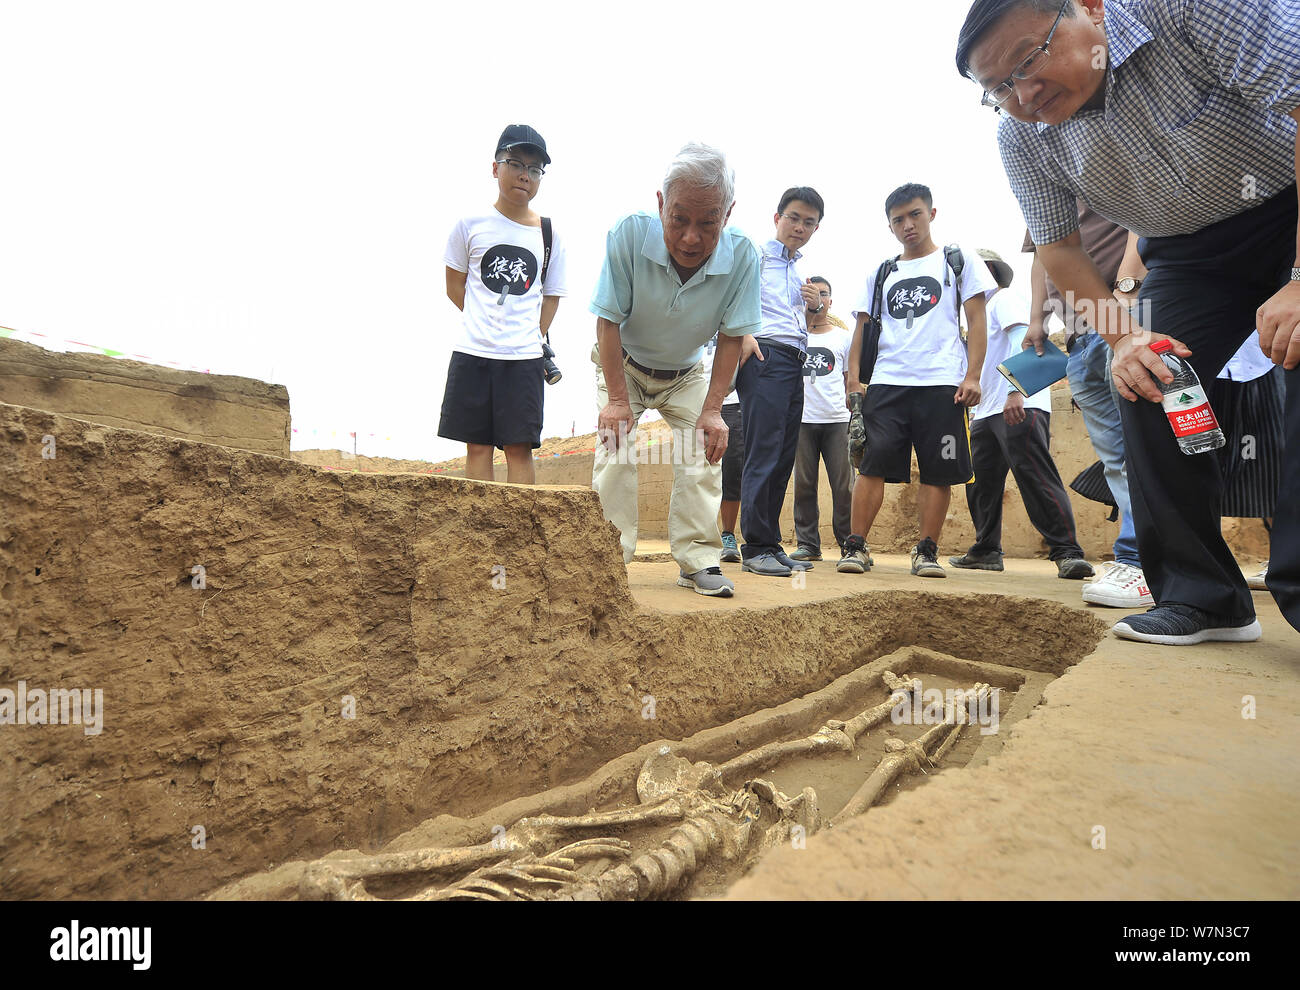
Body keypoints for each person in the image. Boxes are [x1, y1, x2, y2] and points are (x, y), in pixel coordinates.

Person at [957, 0, 1300, 644]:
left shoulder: (1190, 12)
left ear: (1088, 8)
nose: (1024, 94)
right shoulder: (1021, 134)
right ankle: (1205, 597)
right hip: (1190, 253)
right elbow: (1058, 248)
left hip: (1291, 201)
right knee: (1149, 375)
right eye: (998, 88)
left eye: (1029, 61)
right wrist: (1122, 338)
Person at [589, 141, 762, 597]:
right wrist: (618, 402)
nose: (691, 238)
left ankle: (699, 561)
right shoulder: (627, 235)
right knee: (615, 451)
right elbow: (606, 321)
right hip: (621, 365)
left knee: (703, 451)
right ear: (661, 204)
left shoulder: (744, 256)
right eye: (679, 219)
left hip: (686, 373)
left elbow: (730, 337)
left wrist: (712, 410)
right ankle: (608, 560)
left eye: (708, 223)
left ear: (727, 214)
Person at [840, 182, 996, 577]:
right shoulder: (881, 272)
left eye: (915, 215)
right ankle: (856, 545)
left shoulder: (958, 261)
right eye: (898, 220)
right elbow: (862, 327)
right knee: (871, 465)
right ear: (889, 226)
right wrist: (854, 381)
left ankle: (926, 550)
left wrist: (973, 375)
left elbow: (977, 320)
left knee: (938, 468)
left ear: (931, 214)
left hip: (943, 385)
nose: (908, 225)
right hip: (888, 384)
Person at [1023, 206, 1153, 608]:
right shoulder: (1042, 189)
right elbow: (1042, 257)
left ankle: (1139, 560)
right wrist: (1037, 319)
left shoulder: (1103, 158)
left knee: (1143, 447)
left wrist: (1128, 289)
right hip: (1078, 337)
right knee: (1117, 458)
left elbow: (1141, 217)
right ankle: (1140, 561)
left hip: (1122, 318)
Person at [952, 250, 1094, 576]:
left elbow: (1024, 340)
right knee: (980, 484)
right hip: (987, 411)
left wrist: (1017, 390)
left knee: (1035, 477)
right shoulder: (979, 313)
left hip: (1019, 403)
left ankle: (1067, 552)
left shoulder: (1003, 298)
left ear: (986, 271)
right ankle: (986, 550)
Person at [439, 124, 567, 485]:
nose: (524, 175)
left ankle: (519, 538)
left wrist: (528, 334)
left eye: (534, 169)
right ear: (496, 168)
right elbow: (454, 287)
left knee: (519, 448)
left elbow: (552, 296)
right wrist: (487, 322)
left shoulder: (549, 234)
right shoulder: (469, 225)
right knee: (477, 447)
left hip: (524, 359)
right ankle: (477, 532)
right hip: (473, 353)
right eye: (515, 163)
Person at [736, 187, 826, 577]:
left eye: (809, 222)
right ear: (777, 218)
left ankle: (770, 543)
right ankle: (754, 546)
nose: (799, 227)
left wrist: (813, 307)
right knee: (764, 451)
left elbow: (794, 322)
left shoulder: (796, 271)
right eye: (793, 217)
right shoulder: (754, 255)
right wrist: (741, 335)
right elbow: (727, 295)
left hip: (795, 361)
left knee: (783, 455)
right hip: (765, 357)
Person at [791, 276, 855, 562]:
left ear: (831, 301)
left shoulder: (843, 337)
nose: (817, 299)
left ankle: (850, 544)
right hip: (801, 420)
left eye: (824, 294)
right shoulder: (793, 335)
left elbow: (850, 379)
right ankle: (808, 544)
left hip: (837, 420)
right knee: (804, 484)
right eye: (811, 294)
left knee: (844, 486)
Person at [700, 332, 745, 563]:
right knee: (694, 471)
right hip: (693, 400)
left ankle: (728, 535)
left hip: (732, 403)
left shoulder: (738, 323)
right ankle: (698, 536)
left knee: (732, 472)